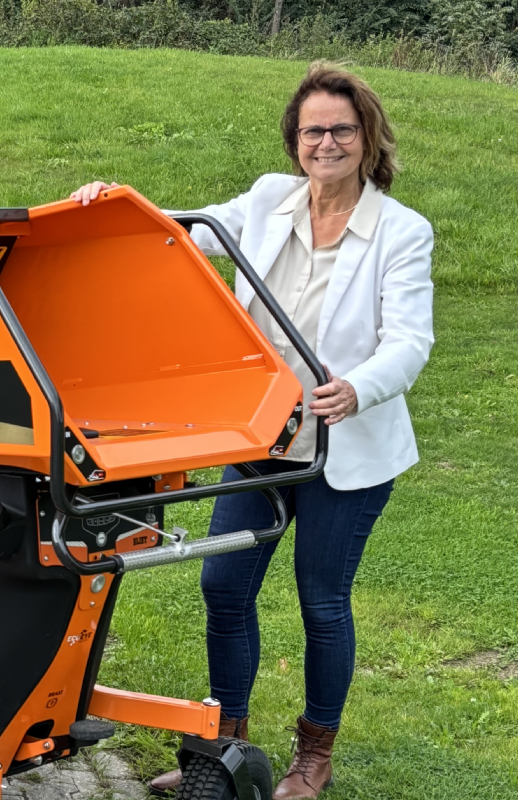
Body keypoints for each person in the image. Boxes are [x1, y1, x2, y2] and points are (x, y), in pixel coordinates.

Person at [71, 62, 434, 799]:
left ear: (366, 137)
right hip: (263, 441)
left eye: (340, 128)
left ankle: (314, 758)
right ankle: (221, 750)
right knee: (223, 585)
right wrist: (105, 206)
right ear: (294, 140)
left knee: (321, 600)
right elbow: (180, 232)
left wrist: (359, 387)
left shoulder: (401, 231)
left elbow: (410, 339)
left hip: (346, 451)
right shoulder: (271, 200)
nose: (324, 142)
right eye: (311, 130)